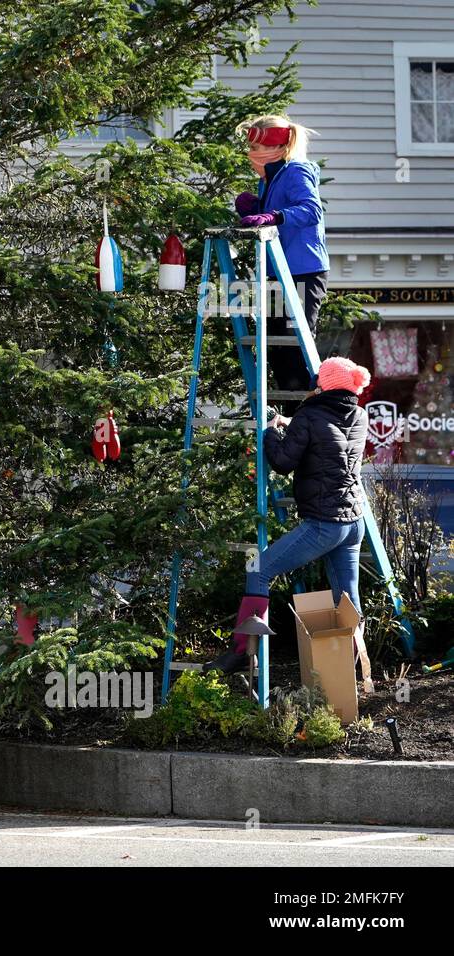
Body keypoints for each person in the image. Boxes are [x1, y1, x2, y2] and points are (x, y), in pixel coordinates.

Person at [207, 357, 372, 675]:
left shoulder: (309, 416)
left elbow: (283, 461)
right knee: (347, 600)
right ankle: (354, 670)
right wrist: (288, 423)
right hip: (354, 523)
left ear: (321, 385)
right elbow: (326, 436)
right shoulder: (359, 415)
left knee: (259, 572)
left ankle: (243, 652)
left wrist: (270, 431)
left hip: (325, 524)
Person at [234, 114, 328, 402]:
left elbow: (311, 210)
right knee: (276, 349)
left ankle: (309, 412)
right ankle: (288, 415)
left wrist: (274, 215)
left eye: (255, 148)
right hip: (278, 272)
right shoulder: (270, 180)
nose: (250, 155)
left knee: (294, 346)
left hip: (302, 270)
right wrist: (257, 205)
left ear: (276, 149)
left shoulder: (296, 171)